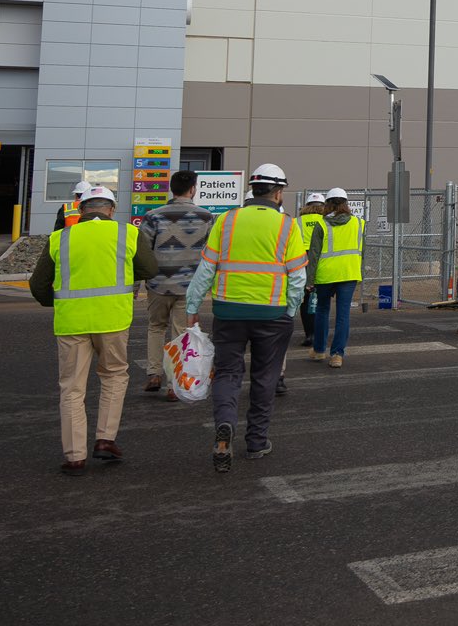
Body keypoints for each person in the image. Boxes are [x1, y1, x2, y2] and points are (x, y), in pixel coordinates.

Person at [184, 163, 309, 472]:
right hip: (272, 314)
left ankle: (225, 425)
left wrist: (192, 307)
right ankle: (256, 442)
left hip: (228, 312)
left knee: (227, 373)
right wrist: (290, 310)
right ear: (278, 192)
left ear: (252, 189)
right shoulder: (288, 226)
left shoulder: (226, 220)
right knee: (265, 377)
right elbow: (297, 278)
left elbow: (205, 269)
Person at [30, 185, 157, 474]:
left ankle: (74, 455)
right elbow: (150, 269)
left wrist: (57, 302)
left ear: (81, 209)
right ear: (111, 209)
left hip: (71, 322)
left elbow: (38, 285)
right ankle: (105, 440)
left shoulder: (60, 237)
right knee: (113, 376)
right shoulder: (127, 233)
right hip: (113, 319)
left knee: (72, 388)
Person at [137, 170, 215, 399]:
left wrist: (137, 285)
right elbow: (211, 254)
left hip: (158, 284)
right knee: (181, 333)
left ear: (171, 189)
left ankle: (154, 374)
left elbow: (142, 253)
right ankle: (174, 384)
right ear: (193, 189)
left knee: (156, 327)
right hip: (189, 287)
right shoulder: (207, 217)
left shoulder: (153, 216)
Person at [309, 186, 362, 367]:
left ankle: (318, 351)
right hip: (349, 273)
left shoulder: (321, 224)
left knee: (322, 310)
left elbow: (314, 254)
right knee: (343, 314)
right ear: (346, 204)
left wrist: (310, 280)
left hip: (325, 275)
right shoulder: (358, 223)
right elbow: (362, 250)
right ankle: (337, 355)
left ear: (328, 204)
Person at [295, 192, 328, 348]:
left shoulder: (297, 221)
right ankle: (320, 335)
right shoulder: (326, 220)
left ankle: (309, 334)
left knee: (306, 299)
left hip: (301, 260)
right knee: (321, 300)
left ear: (306, 206)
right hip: (321, 259)